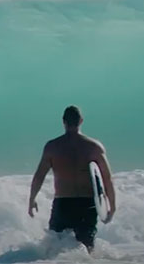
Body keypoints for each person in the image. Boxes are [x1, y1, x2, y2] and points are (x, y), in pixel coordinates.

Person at [28, 105, 116, 252]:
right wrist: (111, 206)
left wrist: (32, 199)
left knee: (54, 251)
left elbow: (39, 176)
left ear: (63, 121)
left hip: (63, 204)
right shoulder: (94, 147)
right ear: (81, 121)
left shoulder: (52, 147)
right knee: (86, 250)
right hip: (87, 205)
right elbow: (107, 179)